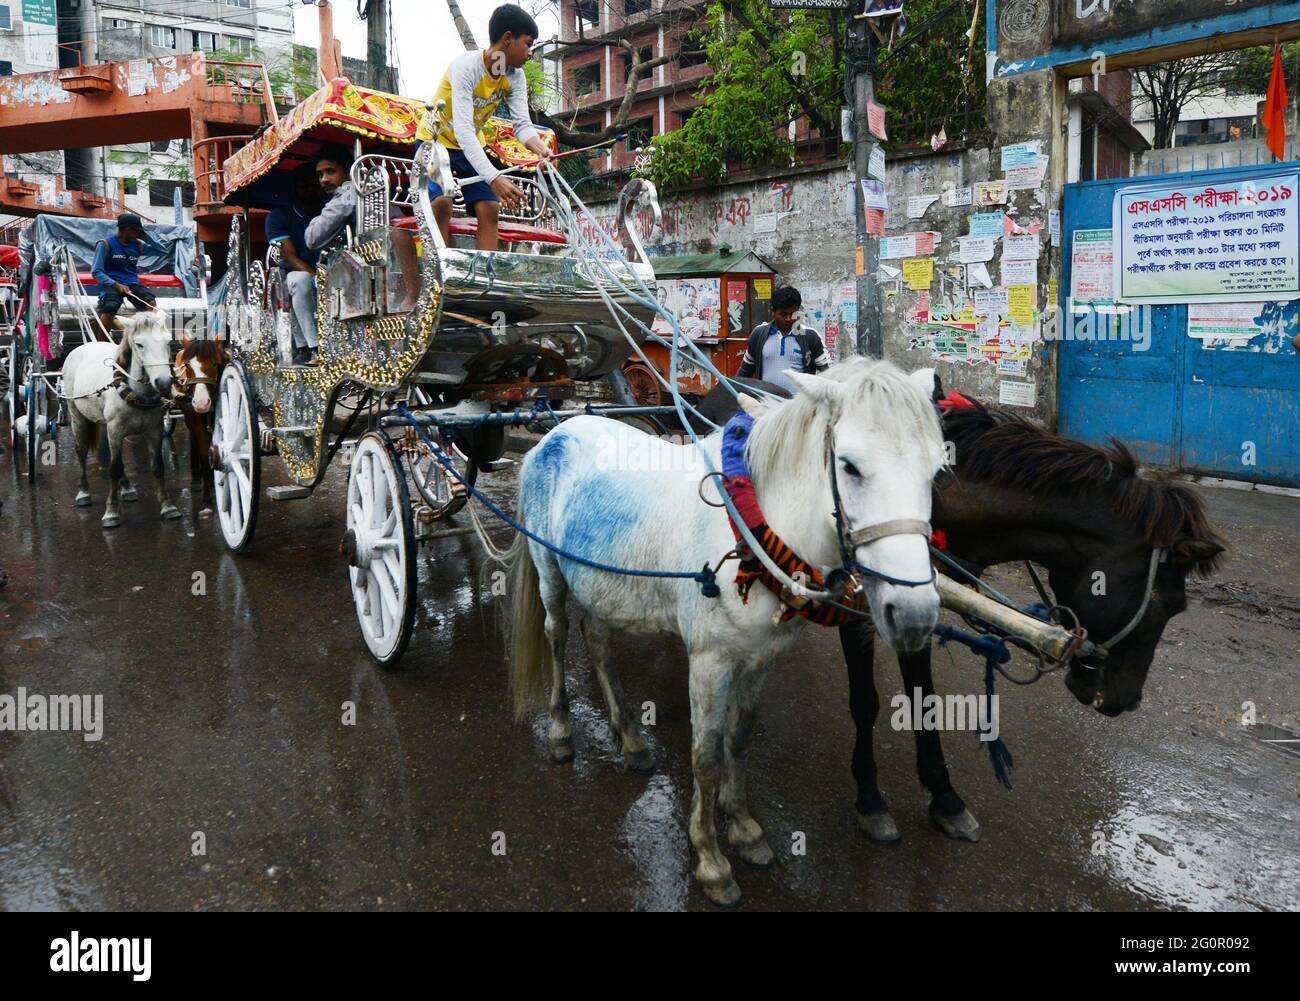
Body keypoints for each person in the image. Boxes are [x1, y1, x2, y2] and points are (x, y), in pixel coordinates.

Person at [418, 4, 553, 251]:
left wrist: (540, 149)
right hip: (435, 142)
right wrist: (494, 177)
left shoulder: (514, 76)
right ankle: (445, 278)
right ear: (508, 39)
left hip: (469, 144)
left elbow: (522, 126)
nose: (530, 52)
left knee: (490, 209)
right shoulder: (465, 67)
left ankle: (485, 283)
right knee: (441, 205)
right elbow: (463, 130)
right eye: (528, 43)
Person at [266, 163, 324, 365]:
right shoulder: (278, 217)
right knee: (301, 280)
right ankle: (312, 347)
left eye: (313, 182)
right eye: (304, 183)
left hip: (331, 267)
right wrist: (316, 276)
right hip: (295, 272)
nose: (310, 187)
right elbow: (288, 255)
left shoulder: (329, 210)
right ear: (295, 187)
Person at [735, 286, 831, 393]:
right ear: (773, 311)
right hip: (766, 405)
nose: (788, 319)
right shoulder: (758, 334)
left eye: (792, 314)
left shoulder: (811, 336)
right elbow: (744, 373)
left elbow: (827, 373)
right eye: (783, 314)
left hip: (798, 407)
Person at [91, 213, 162, 334]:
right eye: (138, 231)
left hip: (131, 283)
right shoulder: (105, 244)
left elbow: (161, 249)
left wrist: (146, 237)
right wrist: (116, 285)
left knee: (150, 303)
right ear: (128, 230)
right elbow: (96, 272)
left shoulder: (138, 244)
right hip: (112, 284)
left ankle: (142, 338)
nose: (139, 234)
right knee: (110, 307)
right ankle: (101, 344)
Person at [304, 145, 356, 254]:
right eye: (320, 174)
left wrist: (315, 221)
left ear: (348, 172)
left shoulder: (348, 193)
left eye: (330, 171)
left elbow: (312, 238)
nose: (324, 179)